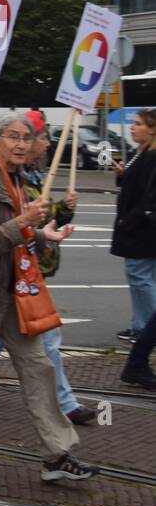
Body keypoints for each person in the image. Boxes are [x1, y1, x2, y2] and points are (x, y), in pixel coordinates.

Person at [0, 112, 98, 483]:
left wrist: (44, 235)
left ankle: (57, 454)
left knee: (39, 368)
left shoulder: (16, 177)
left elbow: (15, 237)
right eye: (12, 136)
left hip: (15, 293)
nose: (20, 144)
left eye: (25, 138)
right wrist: (24, 222)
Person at [16, 110, 93, 424]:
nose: (48, 143)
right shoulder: (17, 176)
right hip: (21, 269)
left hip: (30, 269)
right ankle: (65, 403)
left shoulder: (32, 173)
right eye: (44, 137)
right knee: (47, 335)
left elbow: (43, 217)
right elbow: (22, 222)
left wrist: (64, 210)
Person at [112, 108, 156, 345]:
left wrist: (128, 220)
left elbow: (148, 197)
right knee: (145, 277)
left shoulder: (152, 156)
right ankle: (140, 325)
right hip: (138, 226)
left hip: (142, 228)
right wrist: (122, 175)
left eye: (138, 123)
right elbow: (135, 184)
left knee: (140, 277)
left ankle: (148, 329)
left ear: (152, 129)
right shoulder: (139, 152)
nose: (132, 127)